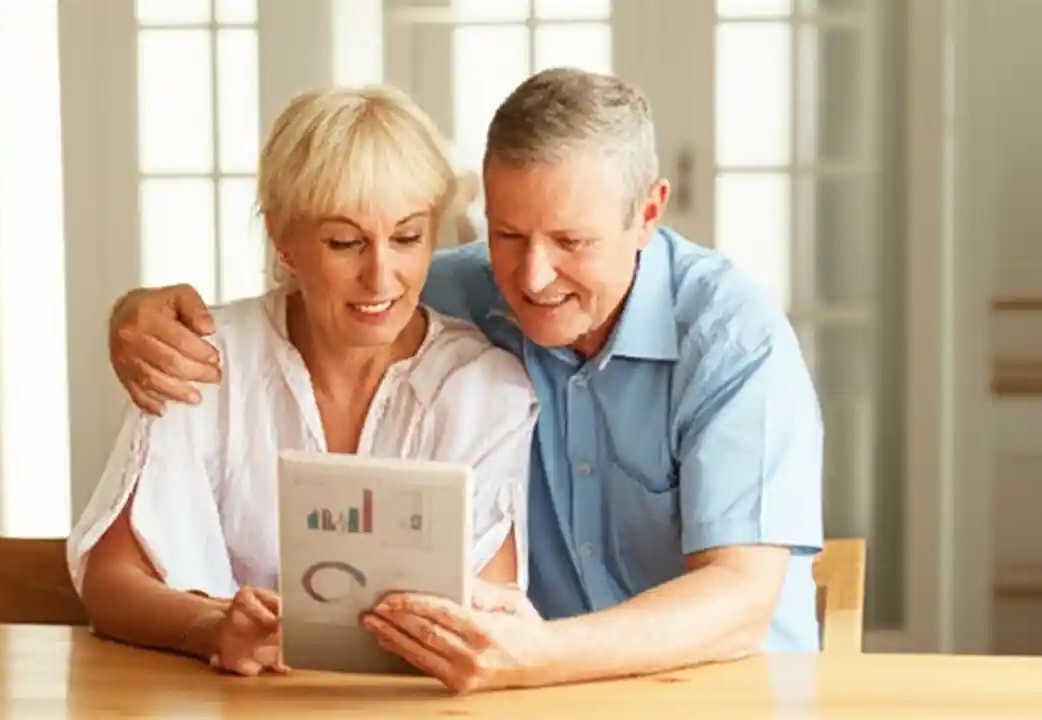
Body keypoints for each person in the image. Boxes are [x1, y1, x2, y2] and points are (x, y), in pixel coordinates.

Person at [108, 68, 824, 693]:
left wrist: (542, 652)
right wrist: (136, 319)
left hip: (721, 693)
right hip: (525, 694)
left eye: (571, 241)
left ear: (648, 213)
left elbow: (740, 599)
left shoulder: (735, 340)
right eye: (507, 235)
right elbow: (322, 291)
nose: (533, 277)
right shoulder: (454, 291)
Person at [70, 85, 537, 678]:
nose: (380, 275)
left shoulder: (484, 390)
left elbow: (482, 622)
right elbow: (111, 583)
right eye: (344, 242)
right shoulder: (205, 359)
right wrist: (214, 630)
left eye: (408, 237)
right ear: (282, 238)